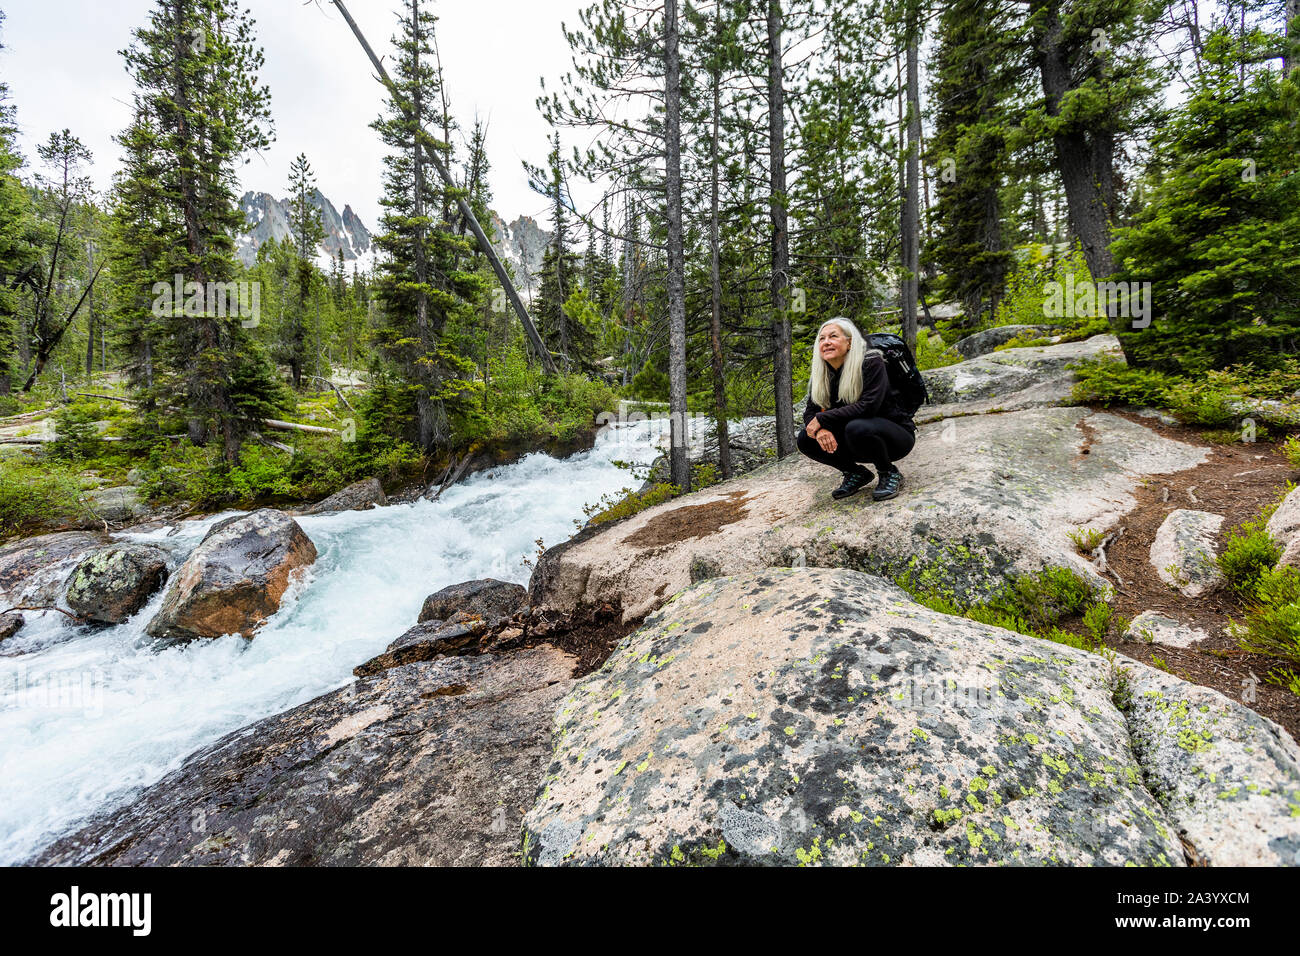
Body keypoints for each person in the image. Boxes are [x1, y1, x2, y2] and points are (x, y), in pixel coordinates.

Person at [796, 317, 916, 500]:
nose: (826, 342)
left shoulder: (871, 361)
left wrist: (822, 419)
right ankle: (855, 473)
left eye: (833, 336)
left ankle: (889, 472)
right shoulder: (822, 374)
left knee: (857, 426)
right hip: (856, 440)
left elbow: (868, 407)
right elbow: (810, 412)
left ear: (849, 342)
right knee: (805, 438)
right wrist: (819, 429)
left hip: (895, 438)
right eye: (822, 339)